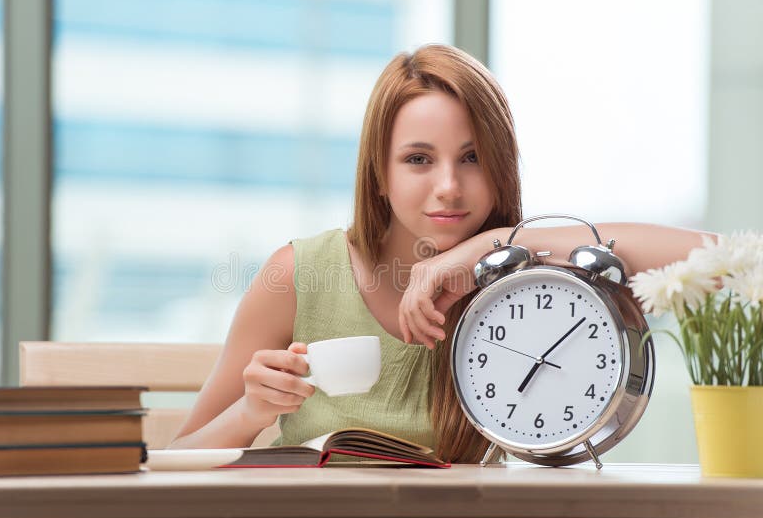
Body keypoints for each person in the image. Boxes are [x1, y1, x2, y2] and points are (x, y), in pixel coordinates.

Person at [168, 43, 716, 463]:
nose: (449, 187)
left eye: (473, 157)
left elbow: (719, 260)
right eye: (418, 159)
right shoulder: (297, 274)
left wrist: (489, 246)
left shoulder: (521, 280)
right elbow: (176, 457)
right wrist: (251, 412)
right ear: (379, 173)